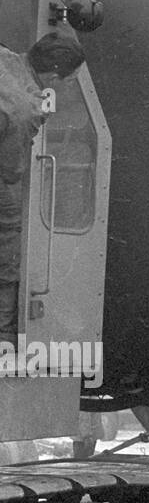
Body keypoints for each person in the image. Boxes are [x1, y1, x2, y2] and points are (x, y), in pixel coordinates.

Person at [0, 32, 86, 345]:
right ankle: (4, 337)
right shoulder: (26, 108)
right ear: (51, 75)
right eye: (66, 79)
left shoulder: (4, 53)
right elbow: (11, 169)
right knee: (9, 243)